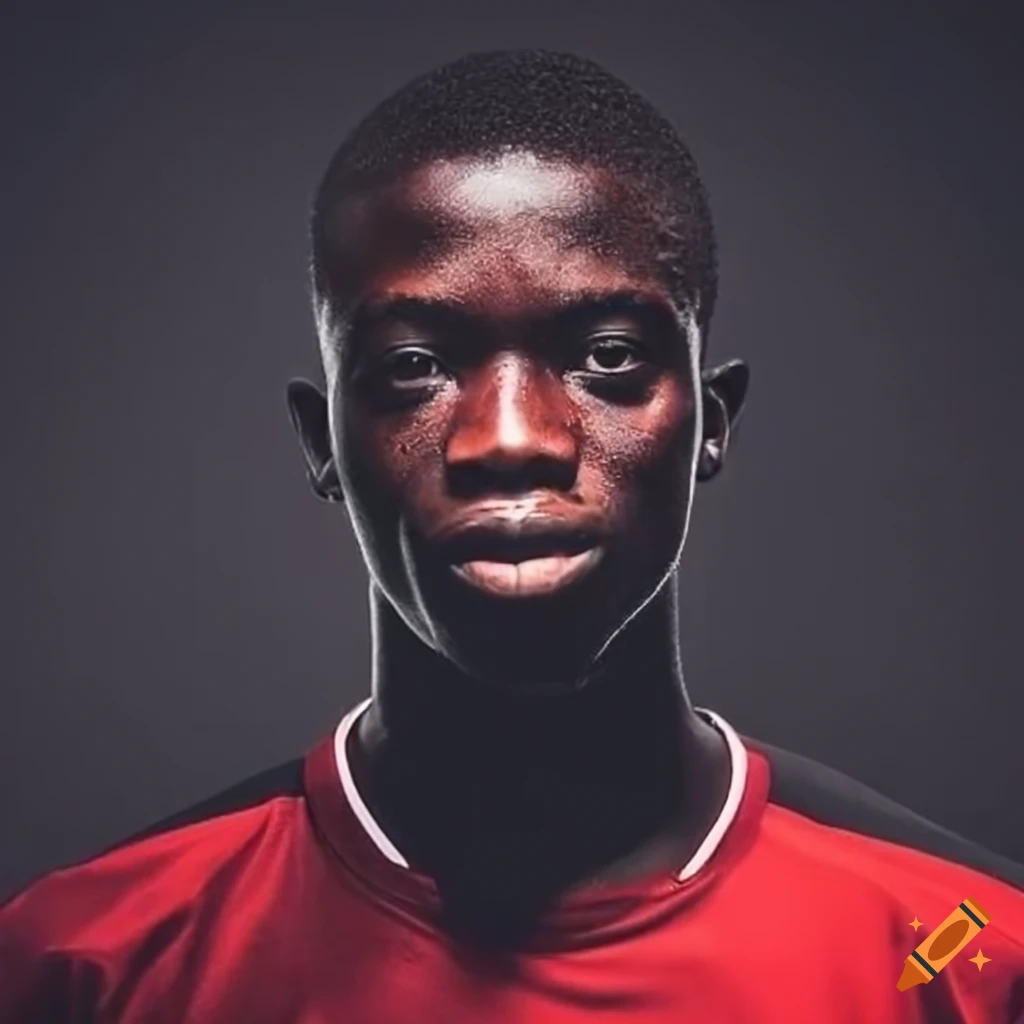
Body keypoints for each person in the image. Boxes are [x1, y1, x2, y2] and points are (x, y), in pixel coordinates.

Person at [1, 48, 1021, 1024]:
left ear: (712, 421)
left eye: (608, 355)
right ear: (322, 442)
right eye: (413, 366)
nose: (510, 438)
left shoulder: (969, 951)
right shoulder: (83, 967)